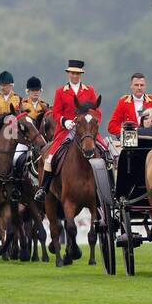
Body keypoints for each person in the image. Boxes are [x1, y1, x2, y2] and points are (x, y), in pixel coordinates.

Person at [35, 60, 99, 201]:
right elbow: (56, 112)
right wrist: (65, 121)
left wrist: (92, 122)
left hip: (86, 129)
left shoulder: (90, 90)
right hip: (66, 129)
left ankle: (108, 188)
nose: (74, 76)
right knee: (50, 158)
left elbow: (96, 111)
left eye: (77, 73)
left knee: (106, 153)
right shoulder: (60, 91)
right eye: (72, 73)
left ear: (81, 74)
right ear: (68, 74)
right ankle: (43, 189)